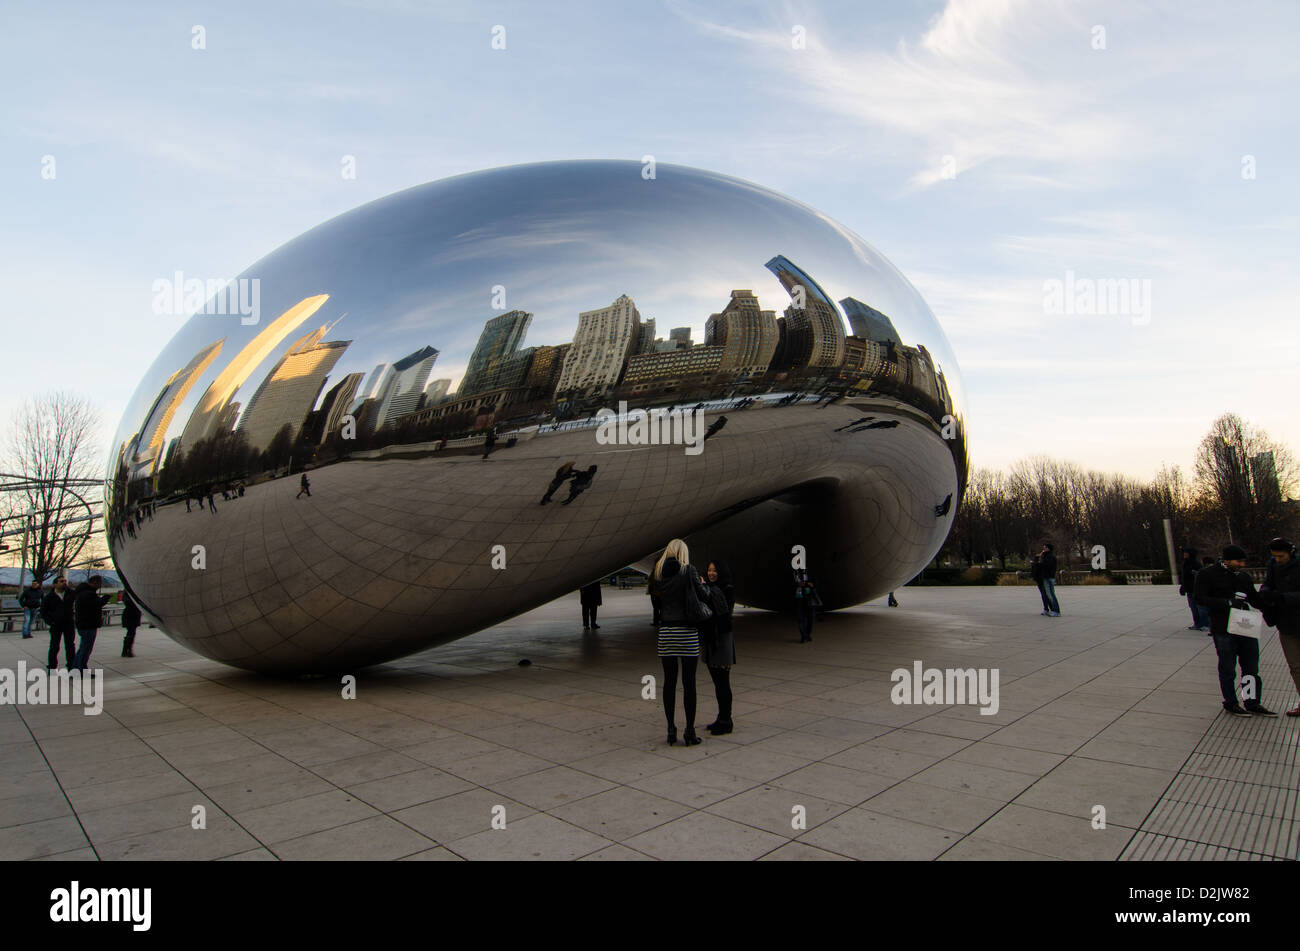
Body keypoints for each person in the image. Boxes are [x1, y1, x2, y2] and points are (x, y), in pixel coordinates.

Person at [1195, 544, 1278, 717]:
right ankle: (1231, 702)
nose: (1242, 565)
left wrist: (1272, 608)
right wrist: (1227, 603)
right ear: (1226, 560)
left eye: (1243, 561)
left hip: (1244, 625)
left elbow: (1255, 599)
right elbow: (1200, 598)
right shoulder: (1208, 574)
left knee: (1251, 667)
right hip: (1223, 626)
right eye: (1238, 561)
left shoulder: (1243, 577)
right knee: (1227, 667)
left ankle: (1252, 702)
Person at [654, 539, 709, 746]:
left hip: (666, 632)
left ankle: (670, 730)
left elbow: (658, 602)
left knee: (669, 683)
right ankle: (689, 731)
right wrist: (703, 584)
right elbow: (703, 595)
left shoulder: (658, 572)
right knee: (689, 683)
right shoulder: (689, 570)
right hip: (687, 631)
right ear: (682, 552)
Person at [1252, 537, 1300, 716]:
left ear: (1291, 553)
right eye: (1275, 556)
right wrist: (1265, 593)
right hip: (1286, 624)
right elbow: (1267, 584)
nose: (1278, 559)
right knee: (1295, 666)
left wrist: (1283, 598)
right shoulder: (1273, 565)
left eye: (1281, 556)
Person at [700, 560, 736, 735]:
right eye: (709, 570)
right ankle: (721, 717)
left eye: (715, 570)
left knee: (723, 682)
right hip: (711, 639)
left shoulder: (727, 588)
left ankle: (726, 720)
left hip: (721, 639)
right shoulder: (709, 589)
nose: (711, 573)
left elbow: (723, 613)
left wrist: (706, 589)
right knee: (717, 682)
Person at [71, 575, 110, 671]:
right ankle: (80, 669)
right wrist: (106, 597)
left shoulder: (83, 592)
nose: (100, 585)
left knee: (83, 647)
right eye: (99, 583)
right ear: (95, 583)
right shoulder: (88, 594)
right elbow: (96, 604)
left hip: (85, 624)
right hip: (88, 625)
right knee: (86, 648)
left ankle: (76, 667)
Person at [40, 576, 75, 670]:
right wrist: (51, 622)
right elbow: (43, 611)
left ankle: (71, 666)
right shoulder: (49, 597)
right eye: (61, 581)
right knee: (54, 646)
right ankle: (52, 667)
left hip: (68, 623)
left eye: (65, 581)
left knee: (70, 645)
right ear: (55, 584)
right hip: (56, 625)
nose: (64, 582)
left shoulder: (71, 594)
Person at [1179, 548, 1211, 631]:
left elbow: (1201, 578)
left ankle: (1206, 624)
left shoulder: (1197, 564)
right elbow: (1184, 577)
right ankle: (1197, 623)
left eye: (1186, 553)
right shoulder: (1185, 564)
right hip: (1189, 589)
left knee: (1201, 608)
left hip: (1197, 589)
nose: (1184, 554)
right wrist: (1183, 587)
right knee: (1193, 608)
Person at [793, 567, 819, 642]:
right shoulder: (795, 573)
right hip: (799, 598)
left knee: (810, 618)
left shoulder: (809, 571)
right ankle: (803, 636)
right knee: (800, 618)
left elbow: (814, 582)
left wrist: (810, 584)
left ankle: (807, 634)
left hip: (809, 597)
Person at [1039, 544, 1061, 616]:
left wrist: (1041, 558)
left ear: (1048, 549)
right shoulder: (1049, 556)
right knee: (1049, 594)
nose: (1043, 549)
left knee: (1050, 594)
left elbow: (1046, 565)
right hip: (1048, 576)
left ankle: (1056, 610)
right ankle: (1053, 610)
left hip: (1048, 577)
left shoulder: (1049, 557)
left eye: (1045, 548)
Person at [120, 590, 142, 658]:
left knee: (131, 632)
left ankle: (126, 650)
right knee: (131, 632)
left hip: (133, 615)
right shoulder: (128, 594)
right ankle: (127, 650)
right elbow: (128, 602)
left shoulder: (128, 593)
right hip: (130, 615)